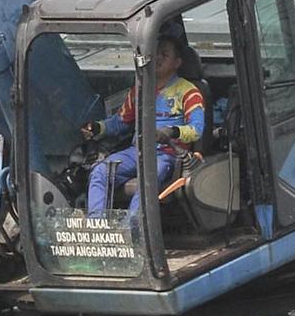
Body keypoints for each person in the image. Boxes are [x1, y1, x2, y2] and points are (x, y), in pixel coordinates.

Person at [84, 35, 206, 217]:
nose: (157, 58)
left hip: (167, 156)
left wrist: (171, 132)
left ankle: (134, 231)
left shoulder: (189, 92)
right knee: (101, 171)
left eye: (164, 54)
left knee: (147, 180)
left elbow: (197, 129)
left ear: (177, 62)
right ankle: (97, 226)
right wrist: (97, 128)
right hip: (137, 152)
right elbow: (120, 122)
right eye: (155, 53)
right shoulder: (139, 90)